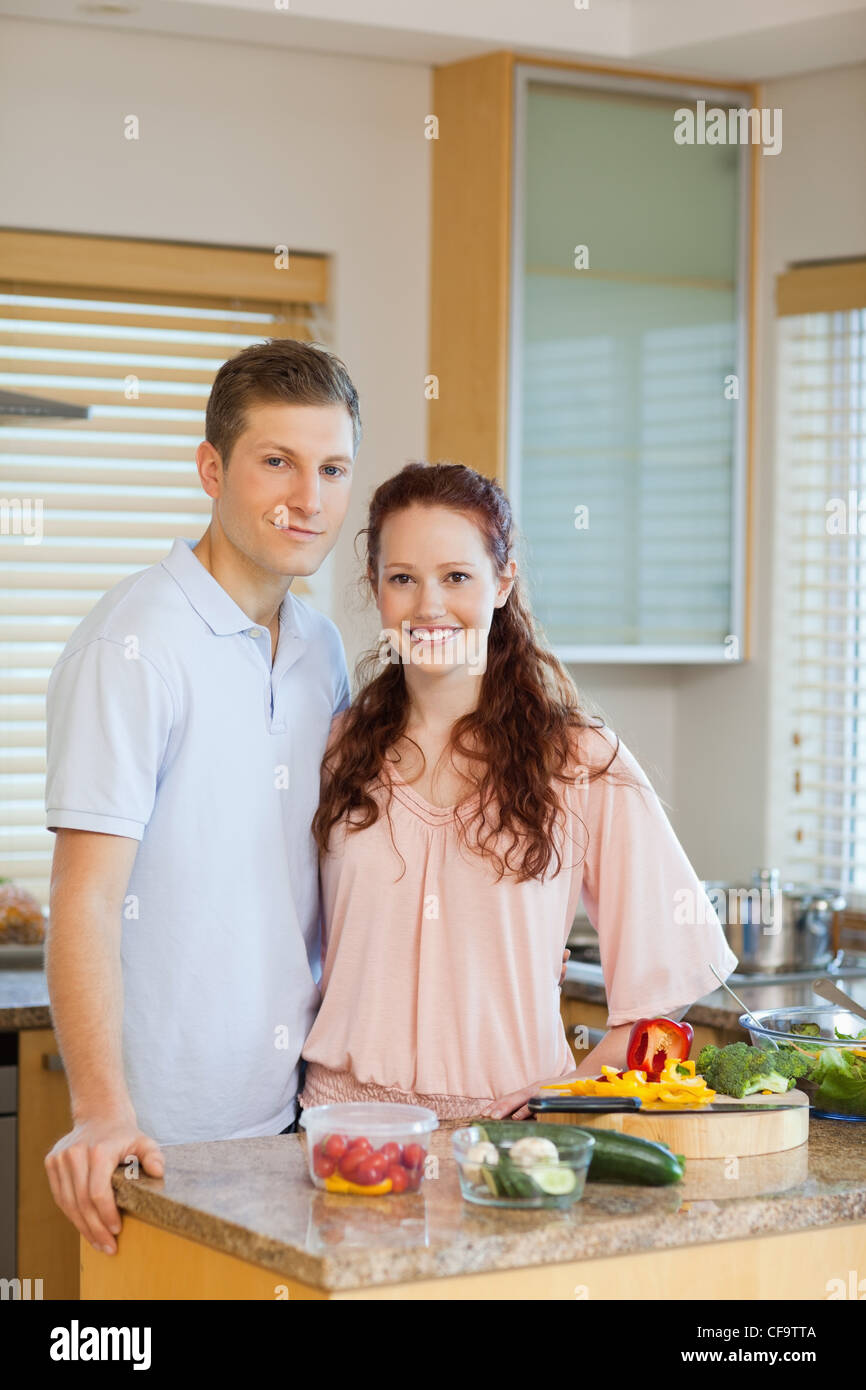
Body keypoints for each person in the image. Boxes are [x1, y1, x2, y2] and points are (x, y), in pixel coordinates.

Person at [42, 339, 360, 1257]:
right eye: (278, 463)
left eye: (332, 469)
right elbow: (86, 895)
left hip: (294, 1116)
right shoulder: (133, 645)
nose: (309, 498)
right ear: (211, 469)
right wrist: (103, 1114)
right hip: (160, 1139)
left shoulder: (320, 648)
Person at [299, 462, 738, 1121]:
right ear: (375, 587)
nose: (428, 606)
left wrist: (555, 1102)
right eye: (402, 579)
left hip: (507, 1145)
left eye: (456, 576)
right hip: (343, 1132)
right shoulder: (333, 750)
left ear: (502, 581)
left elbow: (663, 985)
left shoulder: (578, 759)